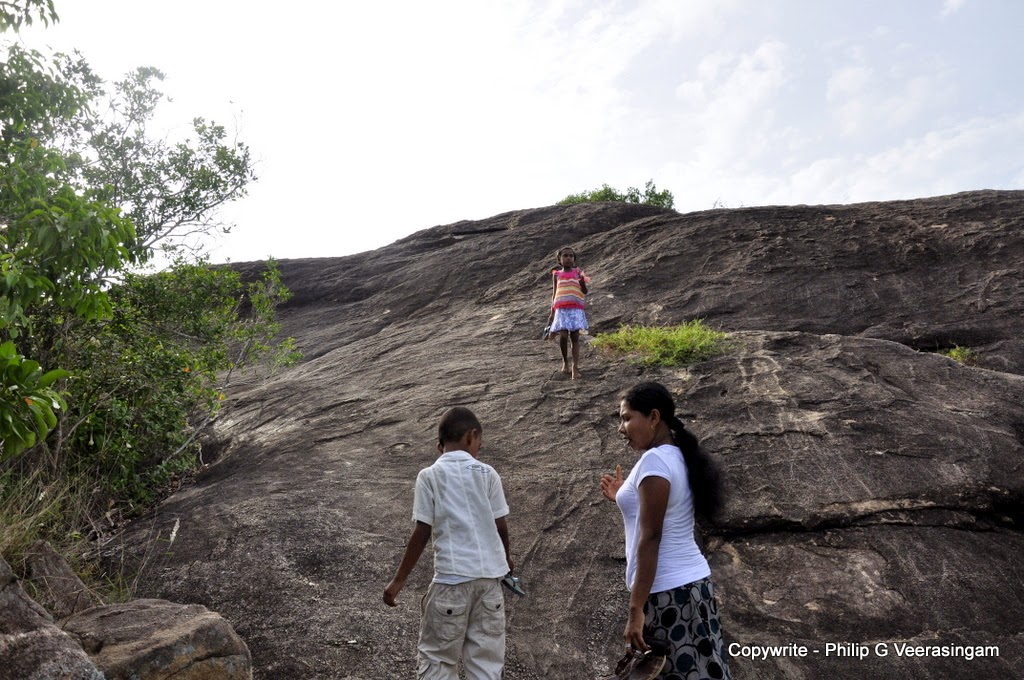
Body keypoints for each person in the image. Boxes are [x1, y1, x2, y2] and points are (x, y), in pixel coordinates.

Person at [599, 382, 732, 680]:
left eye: (626, 417)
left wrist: (635, 610)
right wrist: (623, 495)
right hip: (692, 586)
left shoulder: (655, 461)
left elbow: (652, 536)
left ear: (654, 417)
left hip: (668, 593)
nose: (622, 428)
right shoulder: (676, 455)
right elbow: (662, 511)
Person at [383, 406, 514, 680]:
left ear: (440, 446)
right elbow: (500, 526)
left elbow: (422, 532)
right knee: (487, 665)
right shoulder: (488, 474)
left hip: (451, 582)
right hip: (489, 583)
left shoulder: (429, 476)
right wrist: (506, 558)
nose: (478, 448)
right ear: (471, 436)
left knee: (437, 661)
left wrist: (398, 581)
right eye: (479, 442)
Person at [548, 245, 590, 380]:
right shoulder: (557, 275)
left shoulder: (578, 273)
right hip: (562, 309)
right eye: (565, 256)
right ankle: (565, 362)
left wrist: (582, 282)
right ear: (560, 259)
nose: (568, 258)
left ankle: (575, 367)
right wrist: (552, 312)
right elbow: (554, 294)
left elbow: (584, 291)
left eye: (571, 256)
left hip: (575, 309)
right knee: (564, 336)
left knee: (575, 337)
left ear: (574, 259)